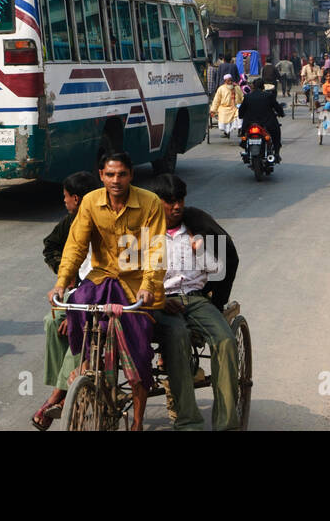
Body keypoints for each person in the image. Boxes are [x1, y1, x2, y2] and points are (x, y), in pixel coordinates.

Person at [46, 152, 164, 432]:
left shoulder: (149, 202)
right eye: (110, 175)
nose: (116, 180)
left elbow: (156, 251)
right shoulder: (90, 202)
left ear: (131, 175)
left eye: (121, 174)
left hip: (136, 287)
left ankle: (136, 421)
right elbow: (75, 246)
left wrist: (147, 287)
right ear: (101, 175)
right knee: (77, 305)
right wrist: (62, 283)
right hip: (100, 281)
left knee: (138, 353)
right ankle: (86, 368)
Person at [145, 173, 241, 431]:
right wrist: (160, 300)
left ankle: (227, 424)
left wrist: (201, 251)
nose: (176, 206)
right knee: (177, 340)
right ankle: (188, 422)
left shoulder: (197, 229)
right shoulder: (144, 233)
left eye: (180, 200)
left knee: (225, 341)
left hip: (196, 299)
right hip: (161, 302)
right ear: (156, 202)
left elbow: (219, 268)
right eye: (170, 201)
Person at [32, 170, 101, 430]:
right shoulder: (71, 222)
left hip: (102, 293)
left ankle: (57, 396)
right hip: (80, 292)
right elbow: (51, 246)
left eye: (66, 197)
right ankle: (60, 389)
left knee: (77, 328)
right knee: (53, 323)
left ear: (78, 198)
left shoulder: (109, 223)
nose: (64, 202)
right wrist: (66, 275)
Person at [238, 78, 283, 163]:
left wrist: (241, 116)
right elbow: (277, 107)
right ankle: (276, 153)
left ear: (253, 87)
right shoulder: (269, 96)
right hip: (267, 123)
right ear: (263, 87)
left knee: (243, 135)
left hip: (250, 123)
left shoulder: (247, 96)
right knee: (276, 133)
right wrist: (281, 113)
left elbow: (241, 110)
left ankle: (244, 145)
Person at [210, 74, 244, 139]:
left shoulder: (237, 87)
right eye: (228, 80)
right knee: (223, 117)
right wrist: (213, 110)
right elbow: (216, 100)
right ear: (225, 81)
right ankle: (226, 132)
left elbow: (242, 97)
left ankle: (240, 130)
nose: (230, 82)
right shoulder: (221, 88)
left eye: (231, 80)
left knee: (240, 115)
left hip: (236, 107)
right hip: (224, 108)